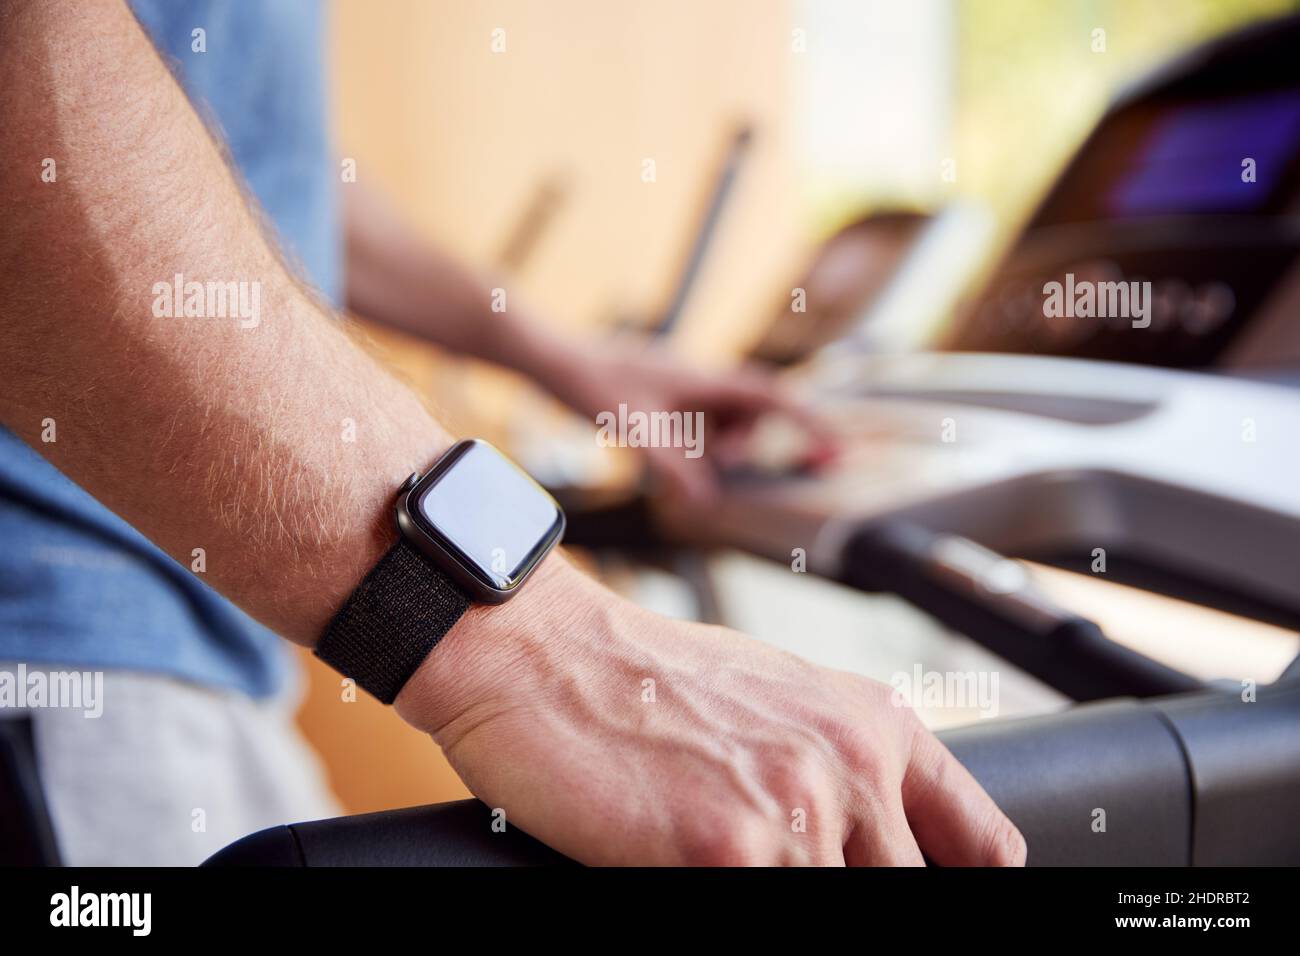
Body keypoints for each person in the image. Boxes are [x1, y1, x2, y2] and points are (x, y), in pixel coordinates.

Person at [0, 0, 1025, 867]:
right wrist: (540, 644)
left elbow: (237, 156)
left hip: (190, 656)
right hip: (63, 640)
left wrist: (559, 354)